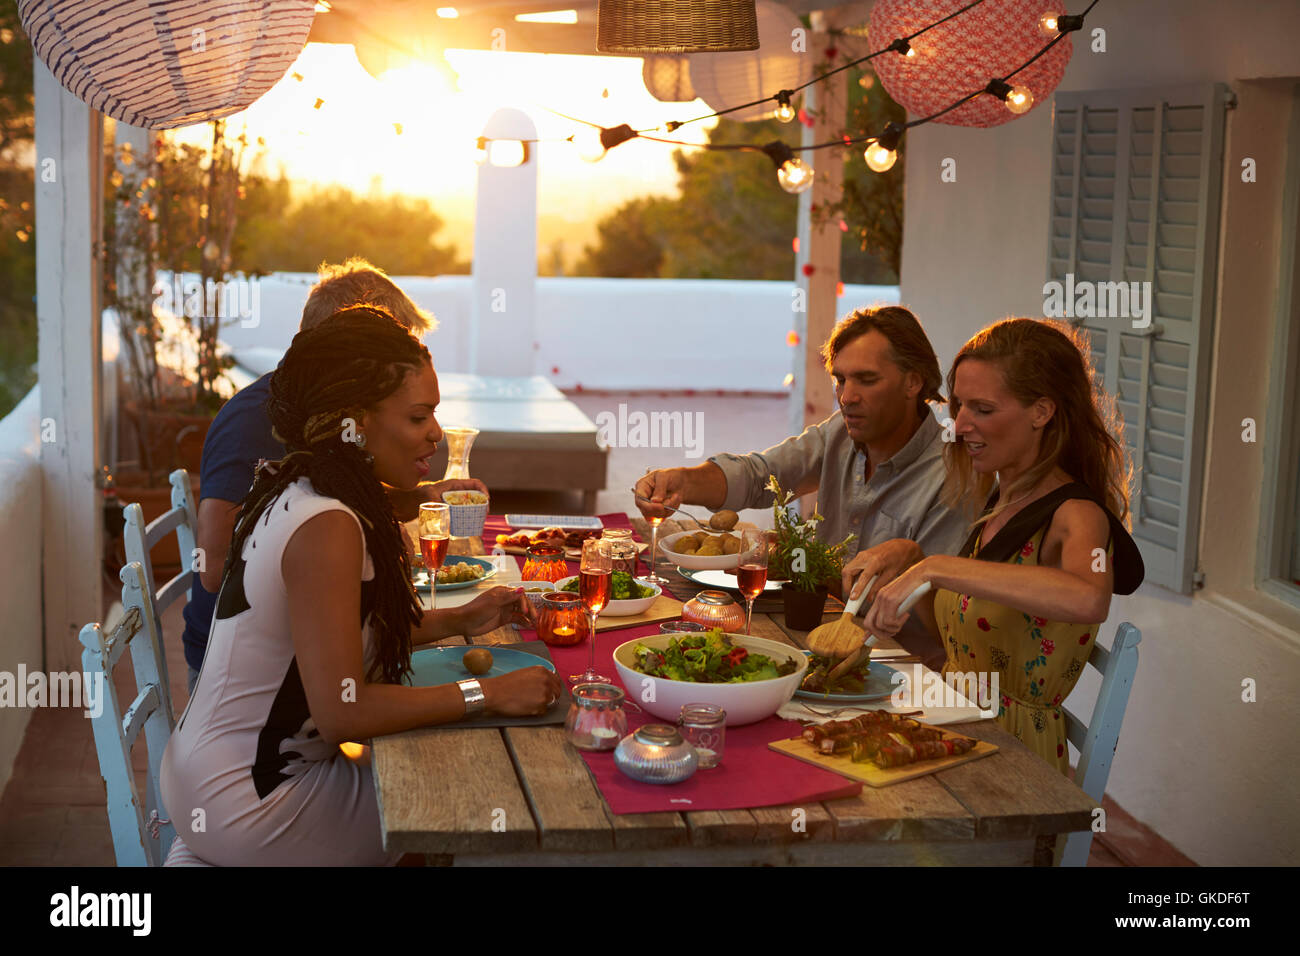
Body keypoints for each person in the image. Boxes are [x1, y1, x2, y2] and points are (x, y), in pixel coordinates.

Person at [160, 309, 564, 866]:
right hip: (249, 800)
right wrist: (488, 695)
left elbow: (336, 636)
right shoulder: (327, 525)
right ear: (354, 420)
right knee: (455, 812)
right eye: (419, 415)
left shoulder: (302, 485)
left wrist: (459, 619)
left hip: (208, 771)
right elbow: (342, 715)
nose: (434, 434)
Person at [181, 258, 486, 693]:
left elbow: (330, 495)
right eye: (390, 349)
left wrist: (424, 496)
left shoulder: (323, 442)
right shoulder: (255, 418)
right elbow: (214, 568)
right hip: (241, 678)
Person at [861, 318, 1144, 774]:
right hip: (955, 726)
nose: (960, 424)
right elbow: (967, 636)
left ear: (1042, 412)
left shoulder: (1076, 514)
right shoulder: (1001, 500)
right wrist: (911, 559)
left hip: (1011, 763)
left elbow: (1090, 596)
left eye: (984, 409)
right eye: (959, 405)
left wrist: (933, 567)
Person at [634, 305, 969, 666]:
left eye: (866, 380)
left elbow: (945, 619)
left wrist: (797, 559)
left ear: (913, 382)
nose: (847, 396)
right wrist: (682, 481)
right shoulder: (840, 432)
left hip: (903, 670)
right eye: (841, 379)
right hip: (817, 637)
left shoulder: (955, 477)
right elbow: (761, 476)